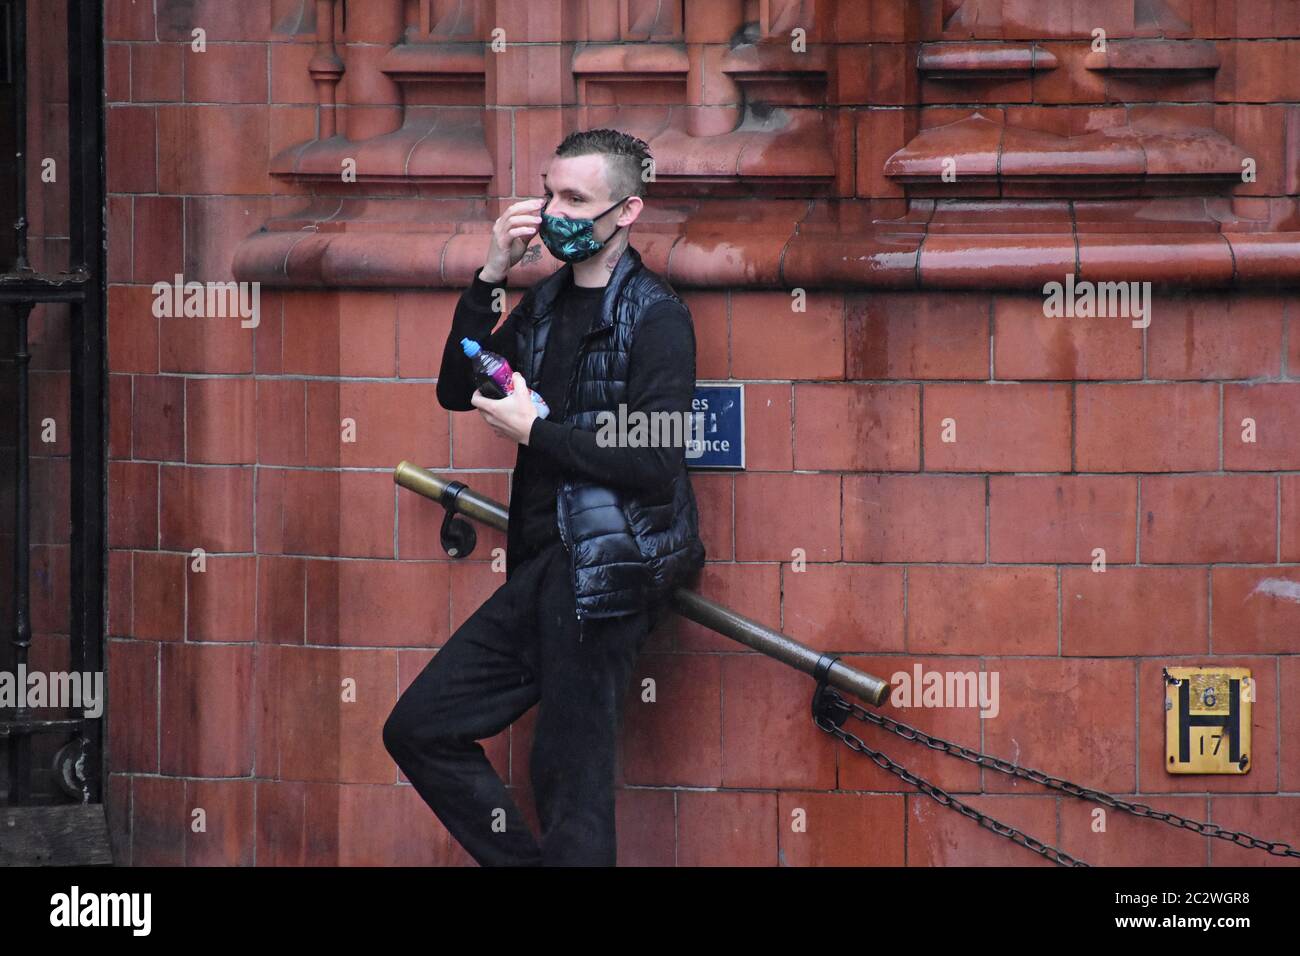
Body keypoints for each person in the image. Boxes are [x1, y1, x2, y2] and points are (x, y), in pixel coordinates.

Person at [382, 128, 706, 866]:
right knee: (422, 726)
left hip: (605, 575)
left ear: (627, 212)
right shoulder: (548, 301)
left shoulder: (656, 316)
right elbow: (455, 389)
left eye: (575, 200)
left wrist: (539, 432)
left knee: (570, 784)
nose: (554, 212)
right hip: (540, 569)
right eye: (549, 193)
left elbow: (657, 461)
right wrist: (493, 271)